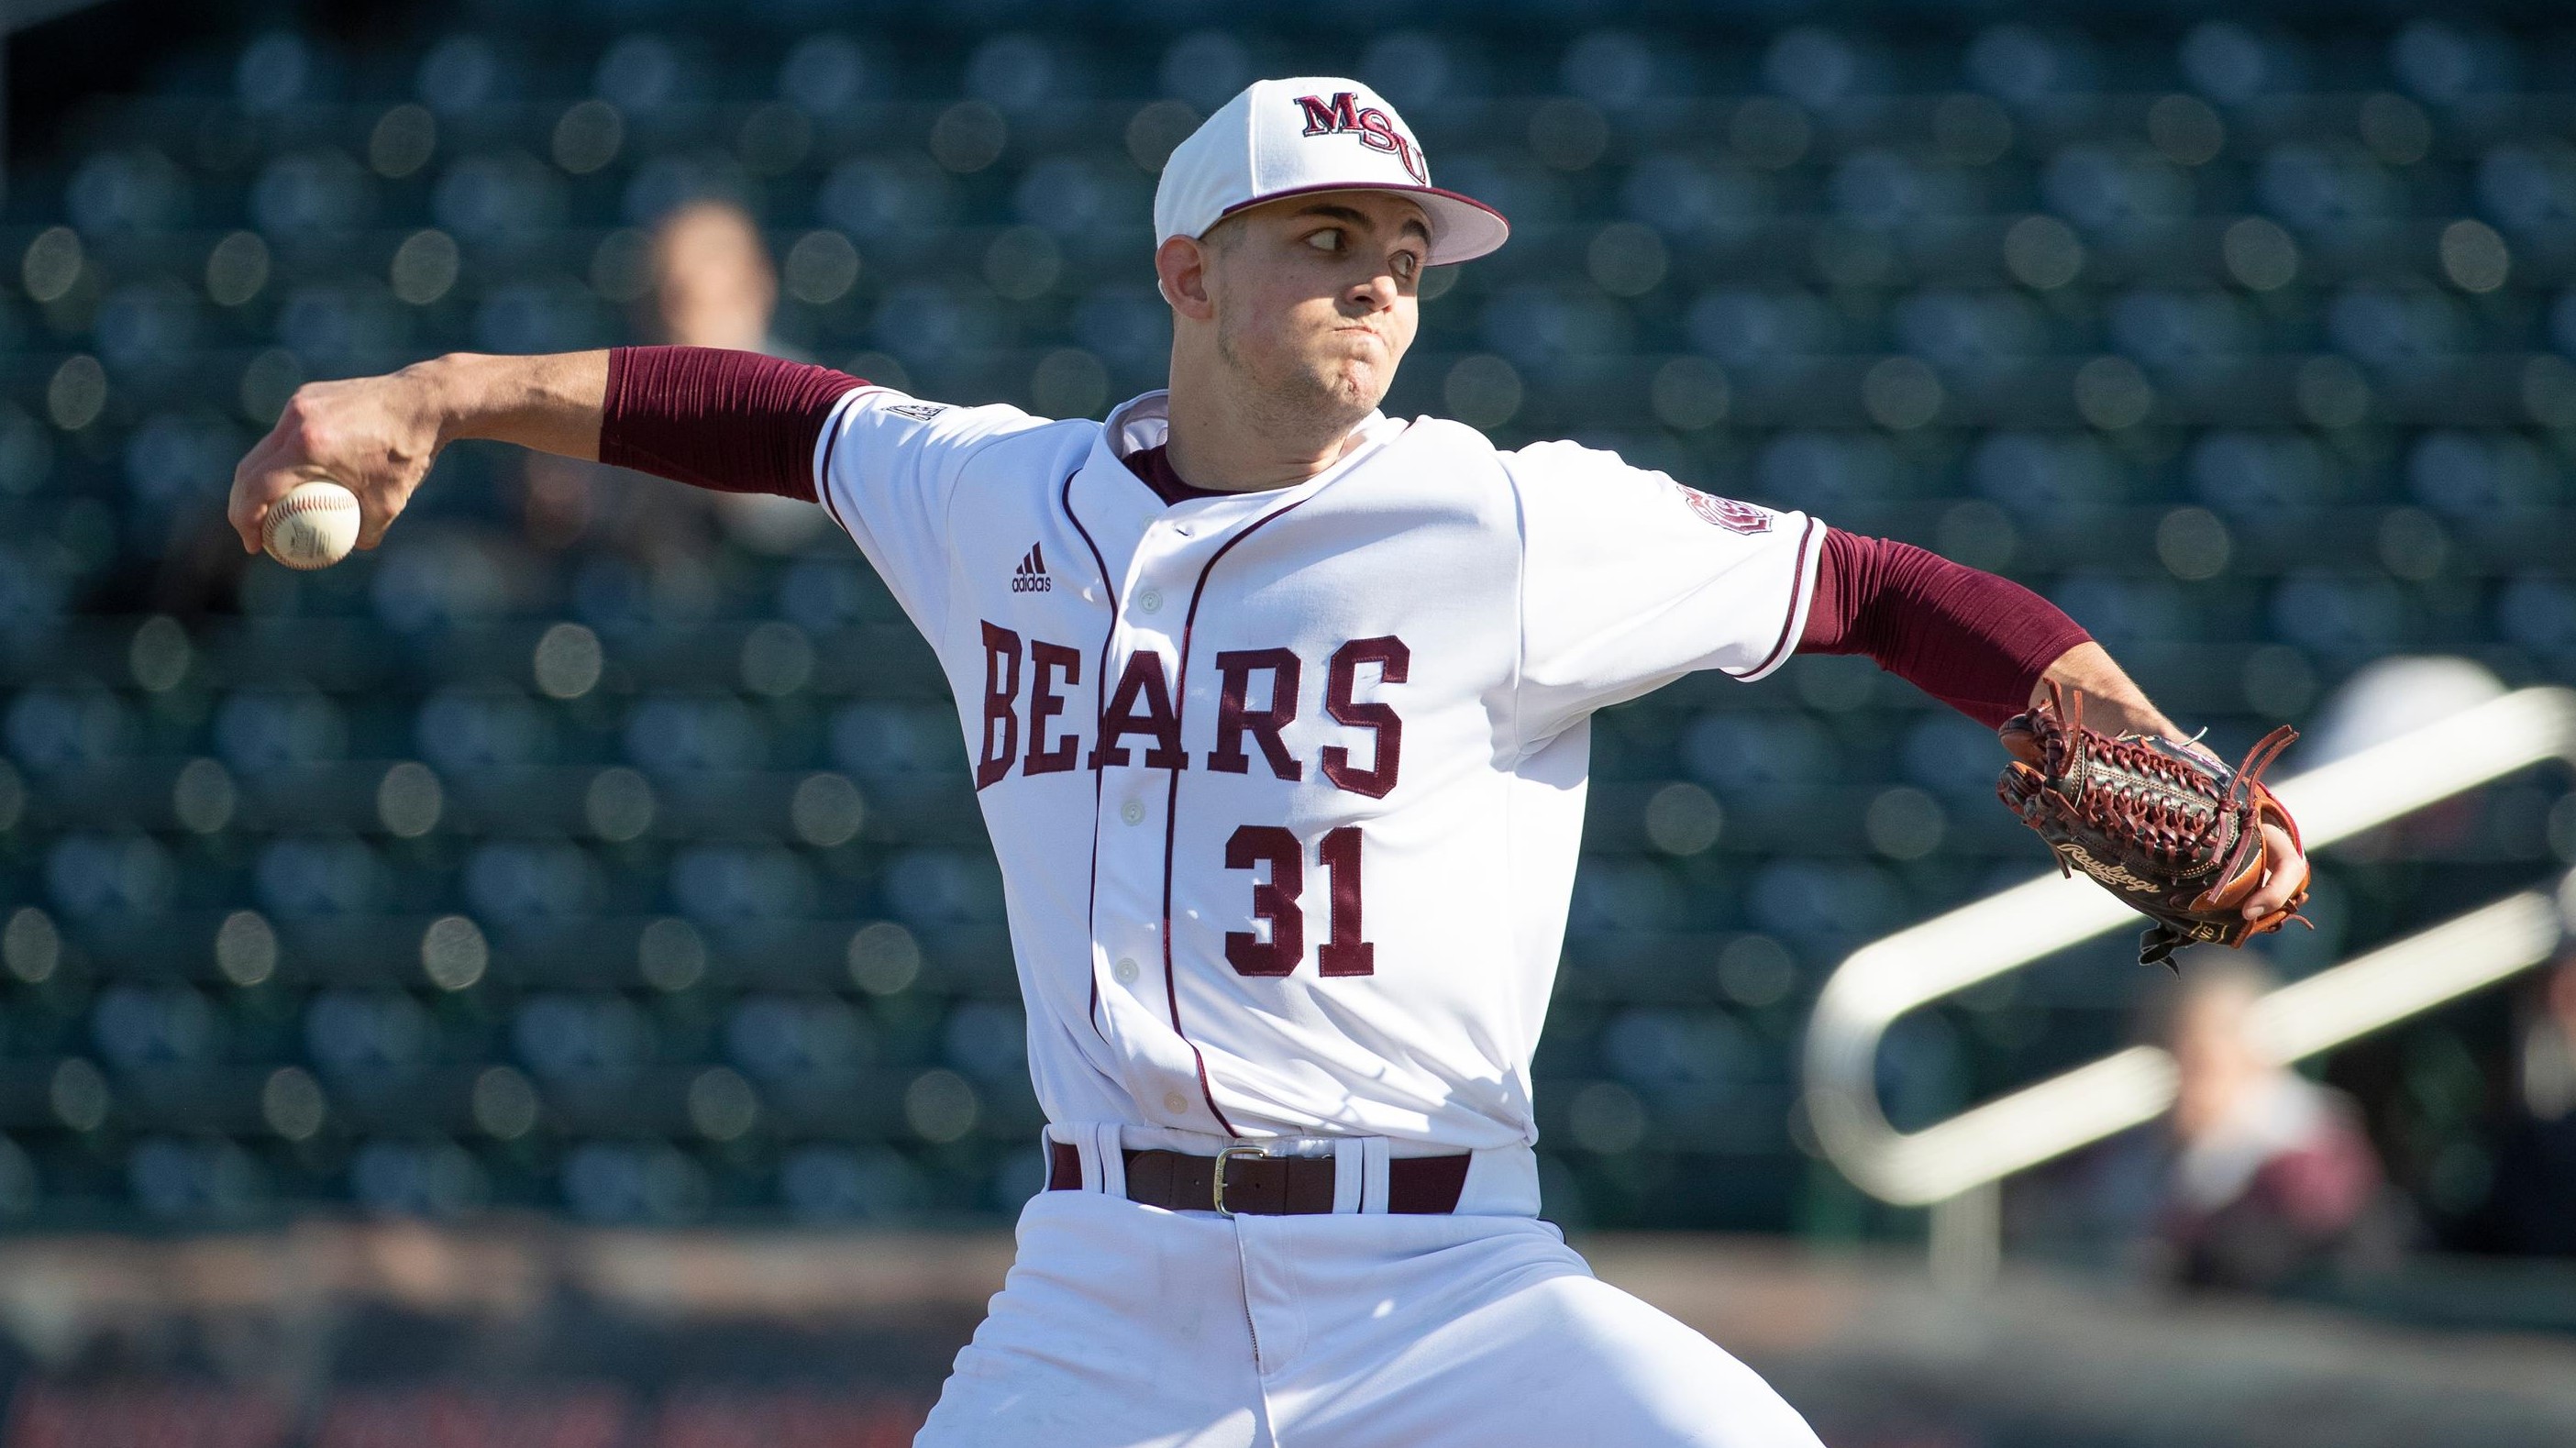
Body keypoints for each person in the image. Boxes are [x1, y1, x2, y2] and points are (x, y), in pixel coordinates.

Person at [227, 77, 2308, 1448]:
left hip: (1439, 1285)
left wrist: (2114, 725)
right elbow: (763, 417)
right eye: (1324, 236)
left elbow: (1865, 584)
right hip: (1100, 1292)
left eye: (1402, 248)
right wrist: (438, 390)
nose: (1379, 275)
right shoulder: (1000, 498)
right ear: (1185, 272)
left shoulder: (1507, 520)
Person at [2151, 962, 2391, 1290]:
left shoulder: (2312, 1163)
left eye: (2199, 1052)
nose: (2182, 1063)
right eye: (2176, 1043)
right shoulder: (2165, 1152)